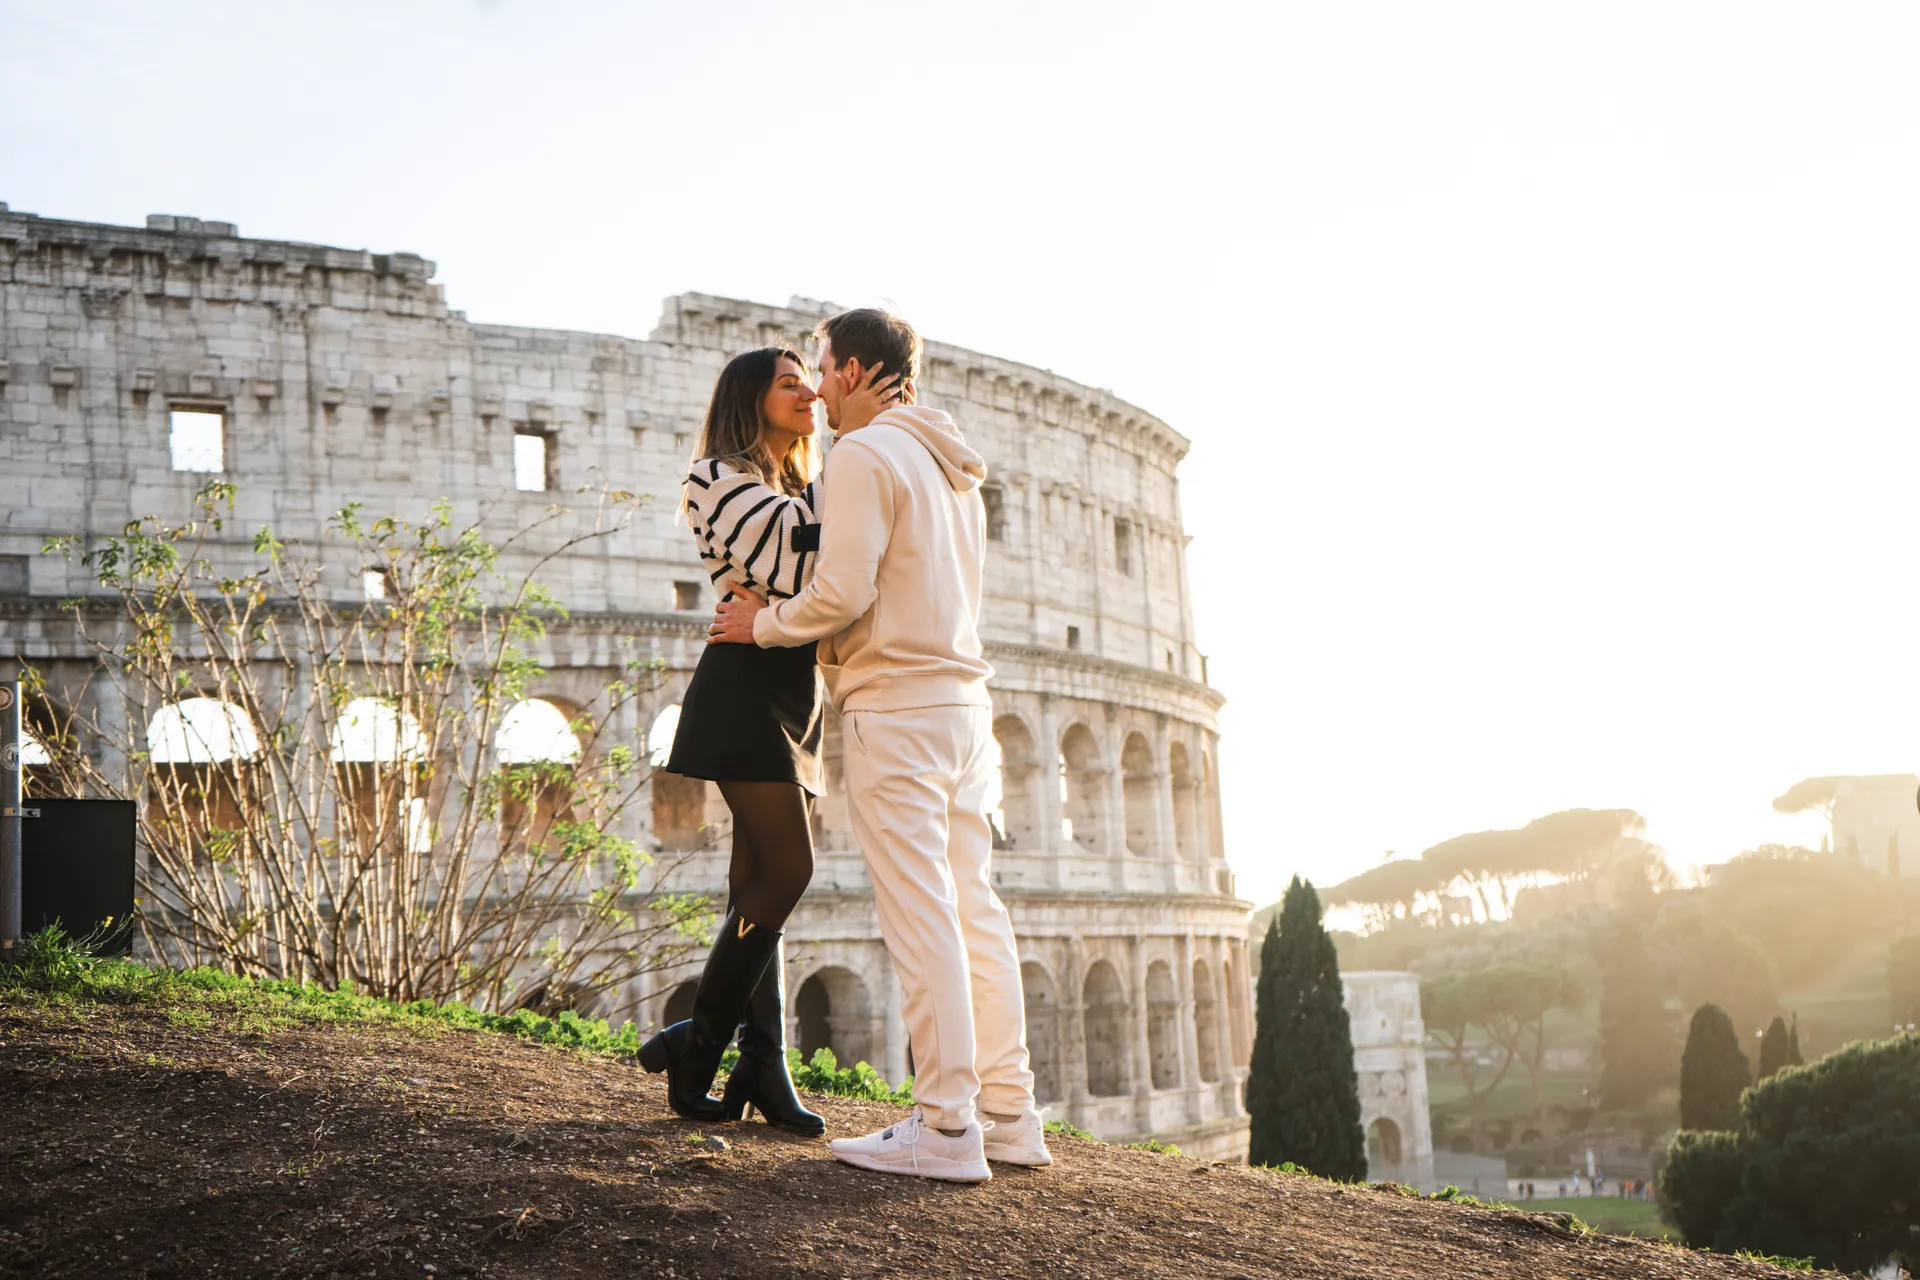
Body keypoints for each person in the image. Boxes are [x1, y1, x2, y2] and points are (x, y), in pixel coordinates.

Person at [710, 307, 1045, 1183]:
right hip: (967, 710)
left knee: (922, 916)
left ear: (854, 371)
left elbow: (842, 590)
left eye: (821, 369)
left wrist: (763, 624)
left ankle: (944, 1129)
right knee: (978, 914)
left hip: (896, 705)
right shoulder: (951, 467)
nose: (816, 389)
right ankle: (1010, 1117)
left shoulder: (862, 454)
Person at [636, 345, 898, 1134]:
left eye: (808, 382)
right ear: (750, 399)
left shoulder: (792, 484)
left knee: (755, 882)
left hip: (791, 686)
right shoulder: (712, 477)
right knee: (789, 869)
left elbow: (827, 581)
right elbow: (790, 556)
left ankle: (762, 1064)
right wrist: (857, 444)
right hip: (741, 685)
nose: (809, 394)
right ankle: (701, 1041)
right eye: (789, 384)